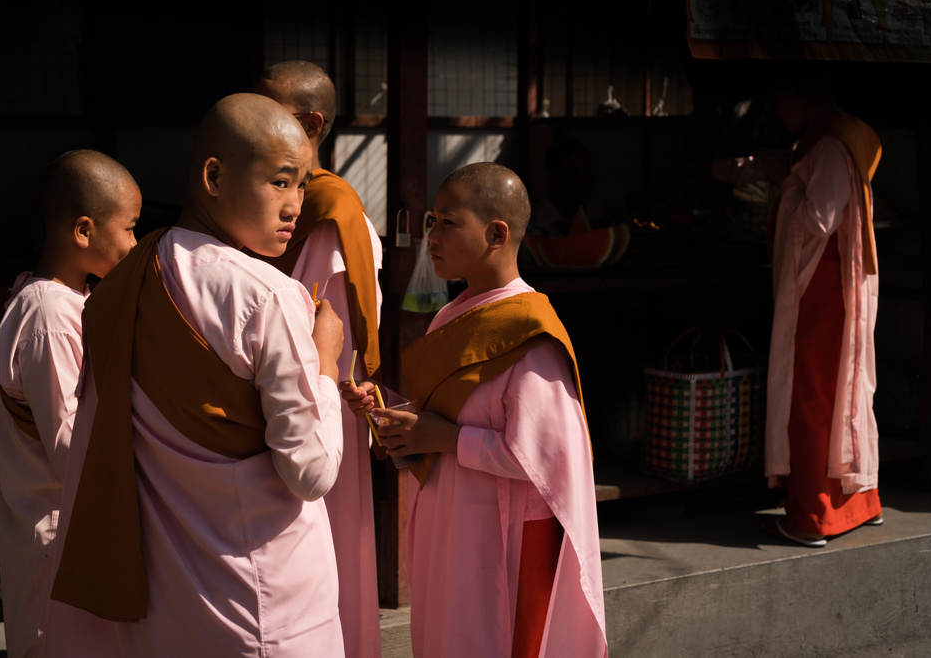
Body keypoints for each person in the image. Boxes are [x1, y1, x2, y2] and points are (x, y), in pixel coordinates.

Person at [41, 93, 346, 658]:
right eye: (280, 182)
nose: (295, 205)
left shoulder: (123, 284)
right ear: (213, 176)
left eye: (302, 184)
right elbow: (311, 471)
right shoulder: (268, 296)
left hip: (161, 600)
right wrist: (325, 362)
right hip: (262, 599)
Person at [343, 163, 608, 657]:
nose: (432, 236)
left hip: (503, 532)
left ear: (496, 233)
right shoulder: (453, 312)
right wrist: (390, 414)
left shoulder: (532, 333)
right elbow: (446, 413)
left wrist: (438, 438)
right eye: (431, 222)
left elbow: (545, 459)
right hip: (453, 519)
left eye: (447, 222)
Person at [0, 149, 142, 657]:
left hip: (60, 526)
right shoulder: (49, 313)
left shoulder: (55, 298)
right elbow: (69, 447)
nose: (134, 244)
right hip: (55, 530)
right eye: (130, 229)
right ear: (83, 231)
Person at [253, 59, 384, 658]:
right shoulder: (286, 201)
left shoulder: (329, 211)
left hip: (316, 408)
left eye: (265, 108)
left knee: (320, 554)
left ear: (308, 123)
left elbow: (318, 336)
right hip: (281, 406)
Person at [761, 74, 883, 547]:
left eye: (779, 102)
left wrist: (784, 179)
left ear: (799, 91)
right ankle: (857, 503)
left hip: (823, 286)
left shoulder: (833, 144)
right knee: (841, 397)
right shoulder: (833, 137)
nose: (778, 115)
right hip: (825, 282)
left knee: (813, 397)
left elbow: (819, 218)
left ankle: (815, 515)